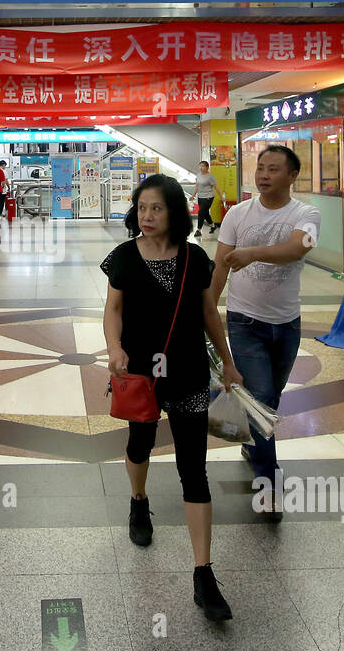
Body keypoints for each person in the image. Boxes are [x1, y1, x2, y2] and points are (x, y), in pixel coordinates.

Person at [102, 174, 244, 622]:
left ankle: (203, 573)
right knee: (139, 444)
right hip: (142, 372)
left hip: (186, 372)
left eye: (156, 209)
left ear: (175, 212)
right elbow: (113, 310)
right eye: (142, 208)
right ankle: (139, 501)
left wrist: (228, 362)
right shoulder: (123, 258)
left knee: (193, 471)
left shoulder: (195, 258)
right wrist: (114, 347)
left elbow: (208, 314)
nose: (146, 216)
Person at [210, 145, 320, 517]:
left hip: (287, 324)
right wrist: (207, 309)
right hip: (244, 322)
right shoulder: (238, 214)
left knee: (268, 401)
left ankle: (252, 446)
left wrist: (252, 253)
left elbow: (297, 249)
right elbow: (221, 267)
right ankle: (268, 485)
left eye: (273, 169)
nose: (263, 175)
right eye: (260, 168)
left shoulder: (306, 214)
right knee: (258, 400)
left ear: (292, 176)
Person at [193, 160, 222, 237]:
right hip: (200, 197)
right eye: (200, 166)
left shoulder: (210, 177)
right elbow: (197, 186)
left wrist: (221, 196)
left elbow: (216, 187)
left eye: (202, 166)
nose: (201, 168)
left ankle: (198, 230)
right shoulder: (198, 175)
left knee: (201, 212)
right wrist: (193, 195)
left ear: (207, 167)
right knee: (205, 213)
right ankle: (213, 225)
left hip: (208, 197)